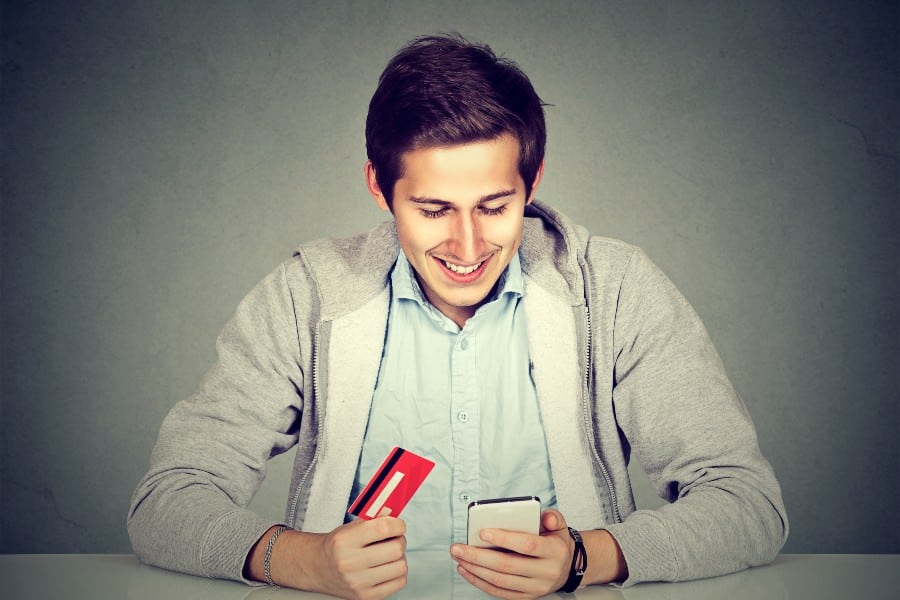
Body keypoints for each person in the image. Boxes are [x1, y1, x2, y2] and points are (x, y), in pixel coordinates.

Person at [128, 34, 788, 599]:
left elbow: (746, 504)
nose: (468, 249)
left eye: (495, 207)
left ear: (532, 183)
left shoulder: (614, 289)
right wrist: (302, 561)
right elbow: (166, 502)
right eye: (435, 209)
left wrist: (587, 558)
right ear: (379, 188)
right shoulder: (305, 296)